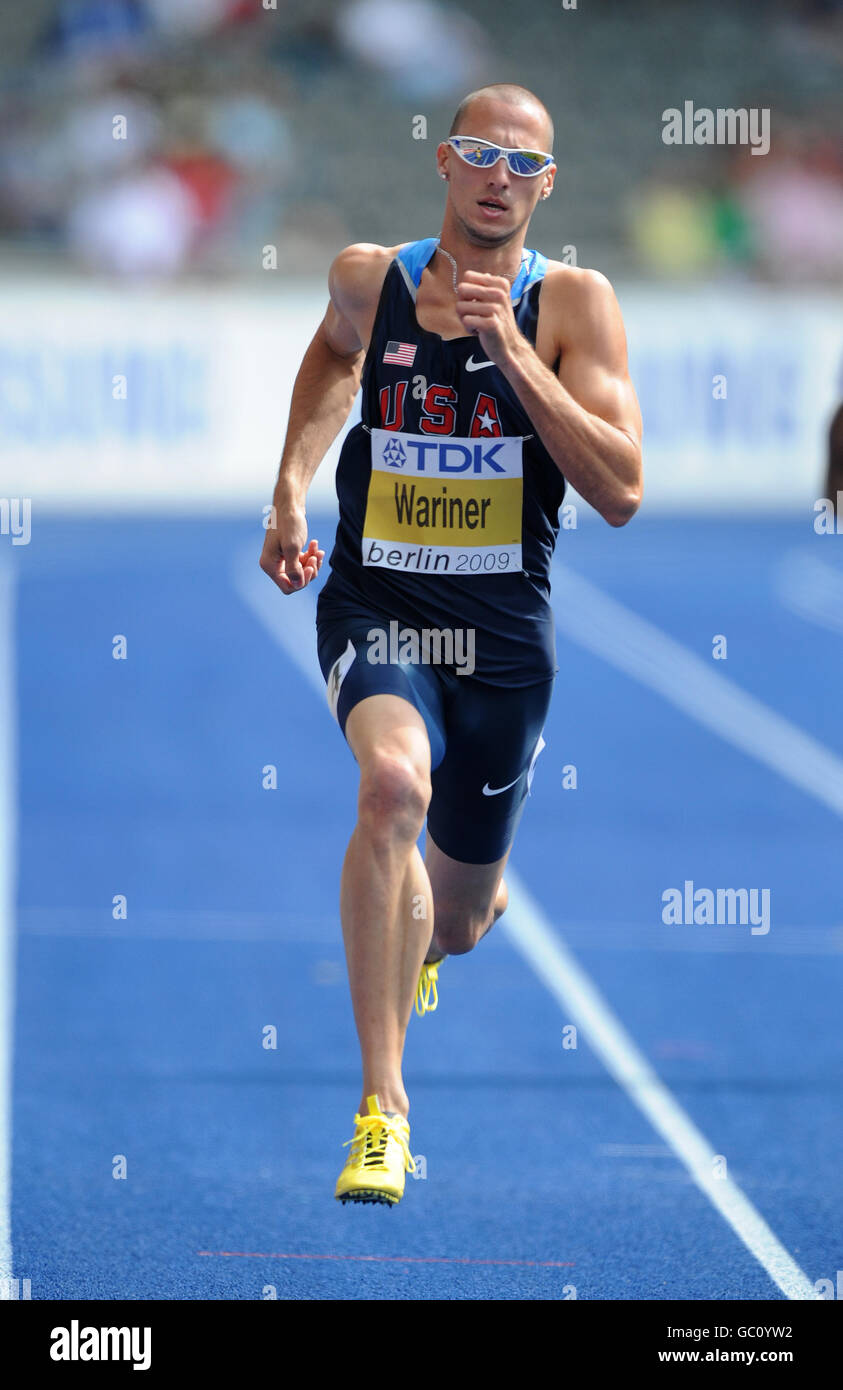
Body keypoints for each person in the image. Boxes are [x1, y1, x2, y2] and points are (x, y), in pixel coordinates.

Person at [260, 83, 643, 1205]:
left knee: (460, 918)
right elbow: (334, 359)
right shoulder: (366, 279)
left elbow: (619, 490)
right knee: (389, 789)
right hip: (378, 602)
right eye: (480, 152)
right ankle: (384, 1110)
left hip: (504, 638)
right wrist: (289, 487)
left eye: (523, 163)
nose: (499, 176)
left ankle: (436, 928)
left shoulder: (572, 303)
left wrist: (510, 354)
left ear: (547, 185)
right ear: (445, 160)